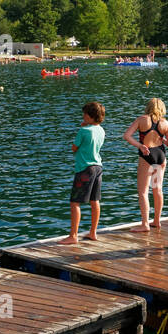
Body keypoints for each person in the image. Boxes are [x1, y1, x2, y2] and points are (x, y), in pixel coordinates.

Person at [123, 97, 168, 232]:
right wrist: (162, 139)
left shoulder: (142, 120)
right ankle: (157, 221)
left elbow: (127, 136)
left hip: (146, 155)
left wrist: (140, 146)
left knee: (143, 191)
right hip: (160, 156)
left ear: (148, 107)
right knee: (157, 190)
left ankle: (145, 224)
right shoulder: (165, 123)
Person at [61, 101, 105, 244]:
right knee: (95, 201)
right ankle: (93, 232)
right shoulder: (101, 130)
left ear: (90, 116)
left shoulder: (83, 131)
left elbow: (74, 148)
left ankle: (73, 235)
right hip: (98, 167)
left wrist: (83, 129)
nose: (83, 116)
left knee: (75, 203)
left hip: (84, 169)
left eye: (85, 114)